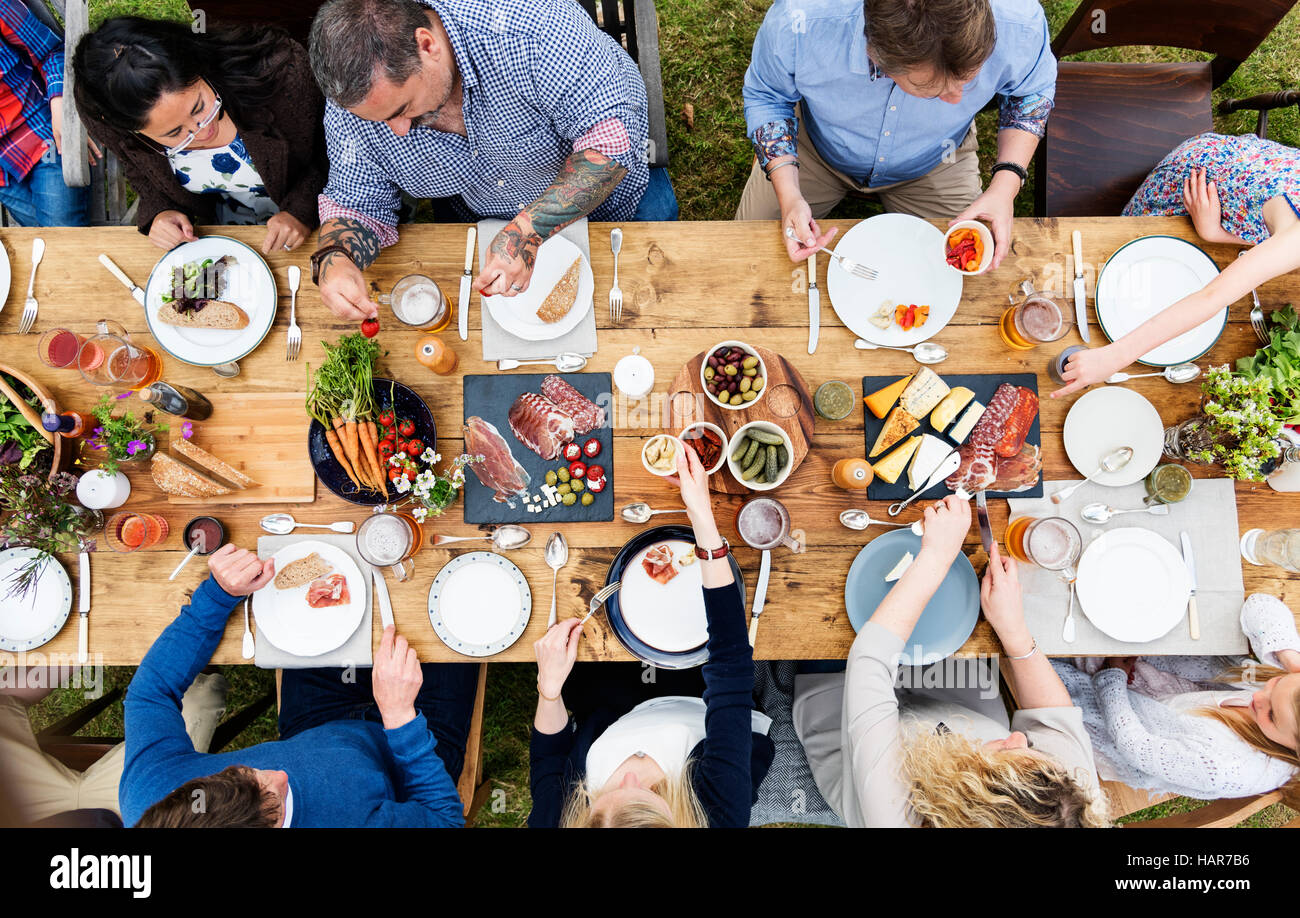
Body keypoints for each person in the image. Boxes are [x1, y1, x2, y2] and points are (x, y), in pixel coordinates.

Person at [306, 0, 671, 320]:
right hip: (480, 217)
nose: (398, 131)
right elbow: (356, 203)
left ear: (427, 45)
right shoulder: (355, 107)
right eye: (381, 120)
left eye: (403, 109)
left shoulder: (530, 26)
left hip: (610, 207)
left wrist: (525, 232)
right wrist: (336, 258)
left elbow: (609, 145)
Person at [793, 496, 1107, 827]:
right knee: (956, 616)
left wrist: (937, 557)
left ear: (968, 799)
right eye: (1033, 749)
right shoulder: (1069, 806)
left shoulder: (893, 816)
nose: (1020, 736)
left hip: (841, 707)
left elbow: (869, 661)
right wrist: (1014, 630)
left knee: (827, 620)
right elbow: (1055, 719)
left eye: (1008, 753)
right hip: (956, 700)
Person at [121, 544, 477, 828]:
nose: (280, 773)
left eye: (247, 771)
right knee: (462, 603)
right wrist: (400, 719)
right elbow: (445, 820)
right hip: (411, 758)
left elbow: (150, 694)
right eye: (277, 803)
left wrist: (218, 596)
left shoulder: (154, 796)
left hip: (316, 727)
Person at [529, 443, 775, 827]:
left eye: (602, 800)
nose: (630, 773)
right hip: (697, 700)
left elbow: (548, 759)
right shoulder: (720, 811)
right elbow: (729, 664)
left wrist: (548, 689)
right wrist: (701, 515)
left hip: (608, 712)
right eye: (651, 793)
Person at [735, 0, 1055, 268]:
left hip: (939, 156)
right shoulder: (800, 19)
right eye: (933, 90)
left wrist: (1005, 187)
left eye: (969, 79)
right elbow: (768, 96)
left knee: (972, 277)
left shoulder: (1018, 22)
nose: (958, 99)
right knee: (745, 255)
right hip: (815, 150)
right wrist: (789, 195)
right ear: (877, 57)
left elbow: (1031, 93)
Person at [1054, 133, 1300, 397]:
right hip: (1200, 179)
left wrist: (1215, 234)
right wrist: (1113, 358)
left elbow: (1281, 235)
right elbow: (1211, 297)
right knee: (1133, 240)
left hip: (1250, 199)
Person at [71, 17, 326, 254]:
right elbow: (137, 167)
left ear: (197, 65)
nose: (203, 132)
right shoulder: (106, 118)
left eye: (199, 107)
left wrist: (302, 209)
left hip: (315, 223)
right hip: (220, 231)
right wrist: (160, 210)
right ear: (134, 131)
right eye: (175, 133)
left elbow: (332, 151)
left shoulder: (282, 74)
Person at [1052, 594, 1300, 800]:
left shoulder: (1224, 767)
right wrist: (1290, 660)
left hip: (1113, 722)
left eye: (1272, 715)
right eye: (1276, 683)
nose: (1259, 697)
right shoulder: (1288, 695)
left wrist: (1112, 677)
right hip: (1165, 685)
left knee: (1051, 642)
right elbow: (1260, 605)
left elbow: (1135, 747)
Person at [0, 667, 227, 827]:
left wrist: (78, 654)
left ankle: (79, 645)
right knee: (198, 698)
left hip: (23, 806)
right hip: (129, 820)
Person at [0, 0, 92, 226]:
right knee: (43, 241)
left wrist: (61, 109)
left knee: (60, 234)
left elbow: (51, 52)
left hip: (39, 133)